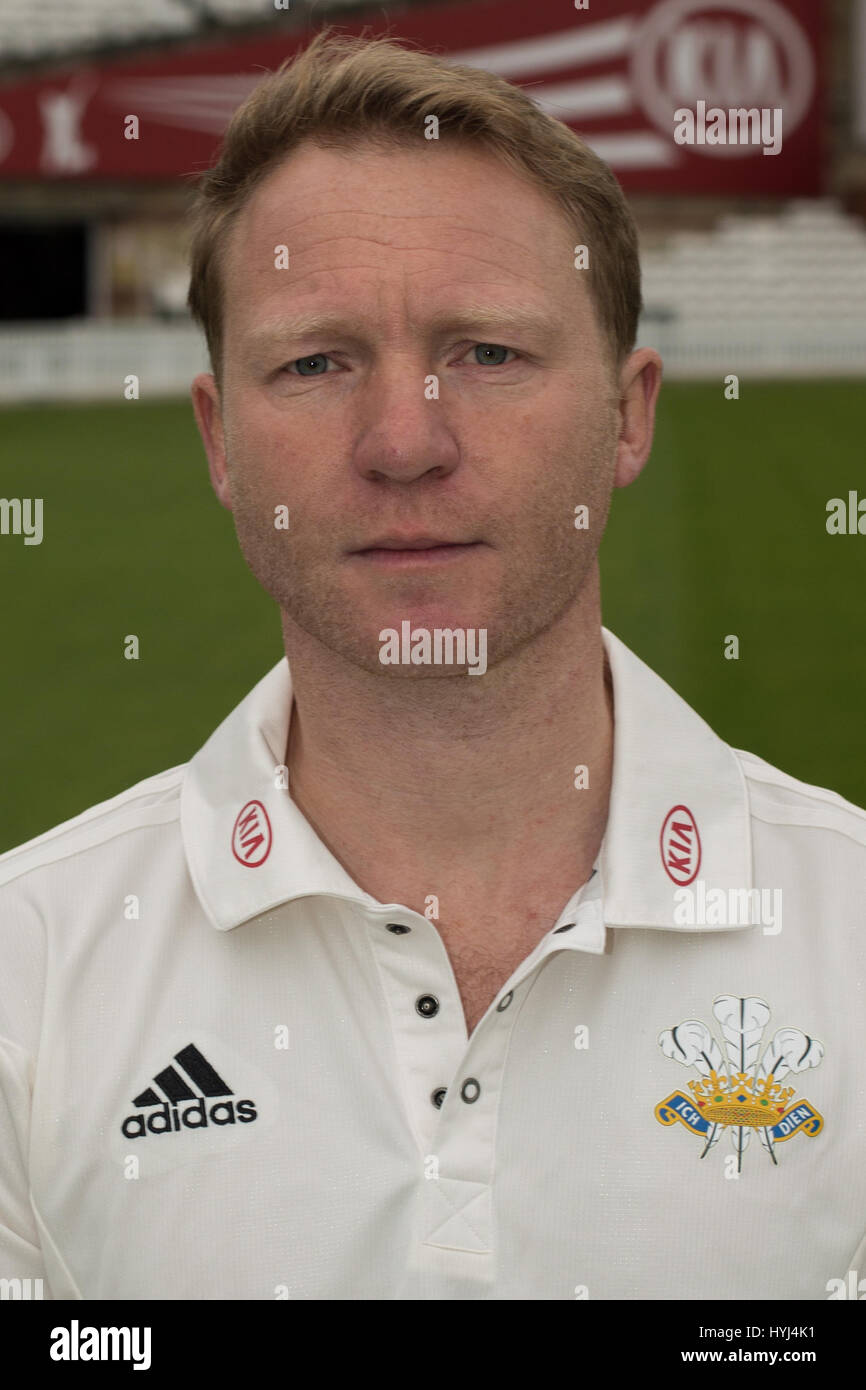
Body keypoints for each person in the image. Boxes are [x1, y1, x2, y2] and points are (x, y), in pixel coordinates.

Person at [1, 28, 864, 1303]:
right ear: (220, 440)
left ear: (628, 414)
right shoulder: (28, 968)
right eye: (314, 363)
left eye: (488, 353)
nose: (404, 442)